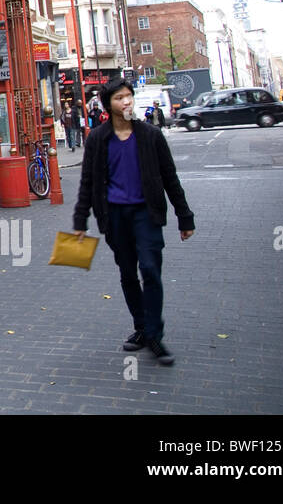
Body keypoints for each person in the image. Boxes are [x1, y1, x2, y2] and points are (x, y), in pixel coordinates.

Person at [73, 78, 195, 366]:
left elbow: (169, 177)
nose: (126, 102)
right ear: (108, 105)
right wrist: (81, 219)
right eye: (119, 98)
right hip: (115, 216)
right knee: (128, 273)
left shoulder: (150, 135)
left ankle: (154, 334)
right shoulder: (98, 139)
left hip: (146, 214)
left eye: (129, 96)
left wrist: (184, 216)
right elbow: (88, 181)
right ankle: (141, 327)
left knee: (150, 269)